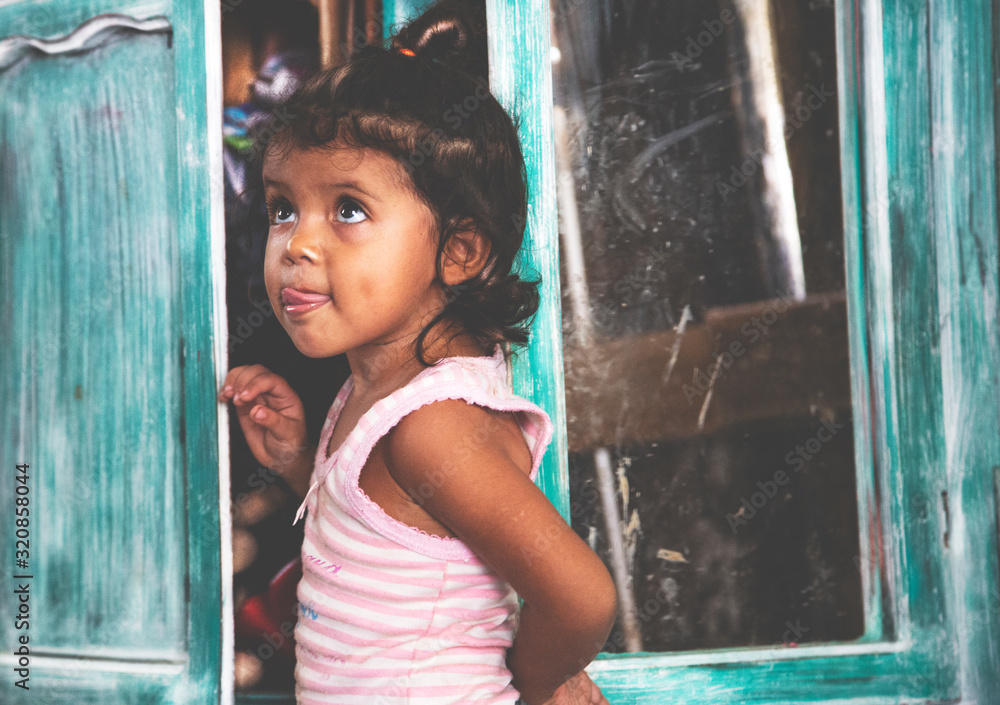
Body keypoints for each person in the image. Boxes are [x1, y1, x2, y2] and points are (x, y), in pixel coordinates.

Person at [218, 1, 618, 702]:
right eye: (284, 209)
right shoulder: (378, 395)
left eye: (348, 209)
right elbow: (390, 542)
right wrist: (299, 460)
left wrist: (534, 680)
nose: (297, 244)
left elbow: (582, 598)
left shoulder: (434, 426)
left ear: (458, 251)